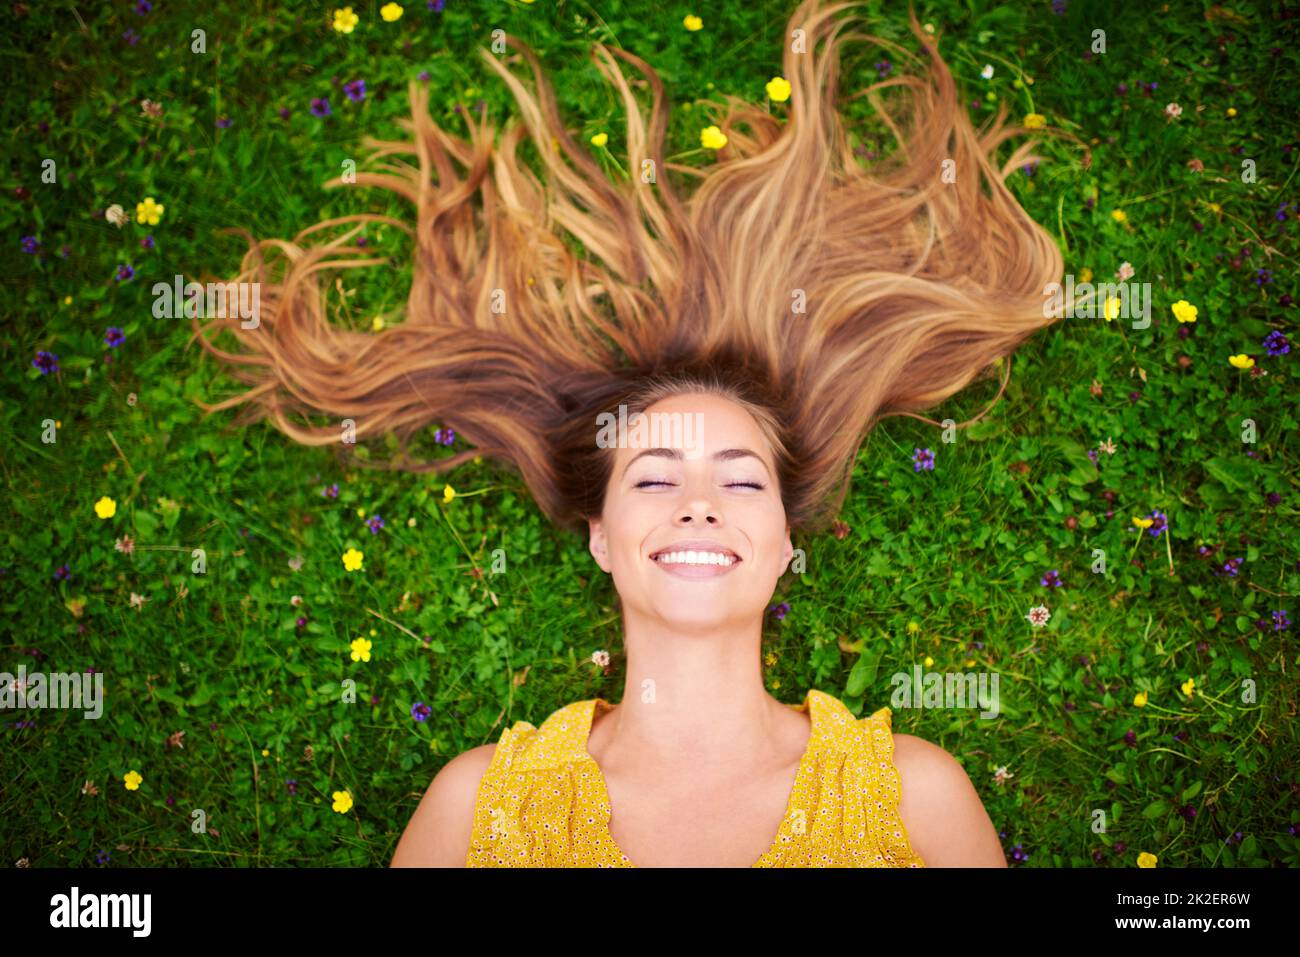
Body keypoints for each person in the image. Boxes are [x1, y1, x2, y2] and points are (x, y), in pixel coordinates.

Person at [192, 0, 1062, 867]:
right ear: (602, 538)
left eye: (741, 479)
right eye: (652, 477)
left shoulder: (915, 793)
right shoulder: (478, 803)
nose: (697, 505)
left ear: (784, 537)